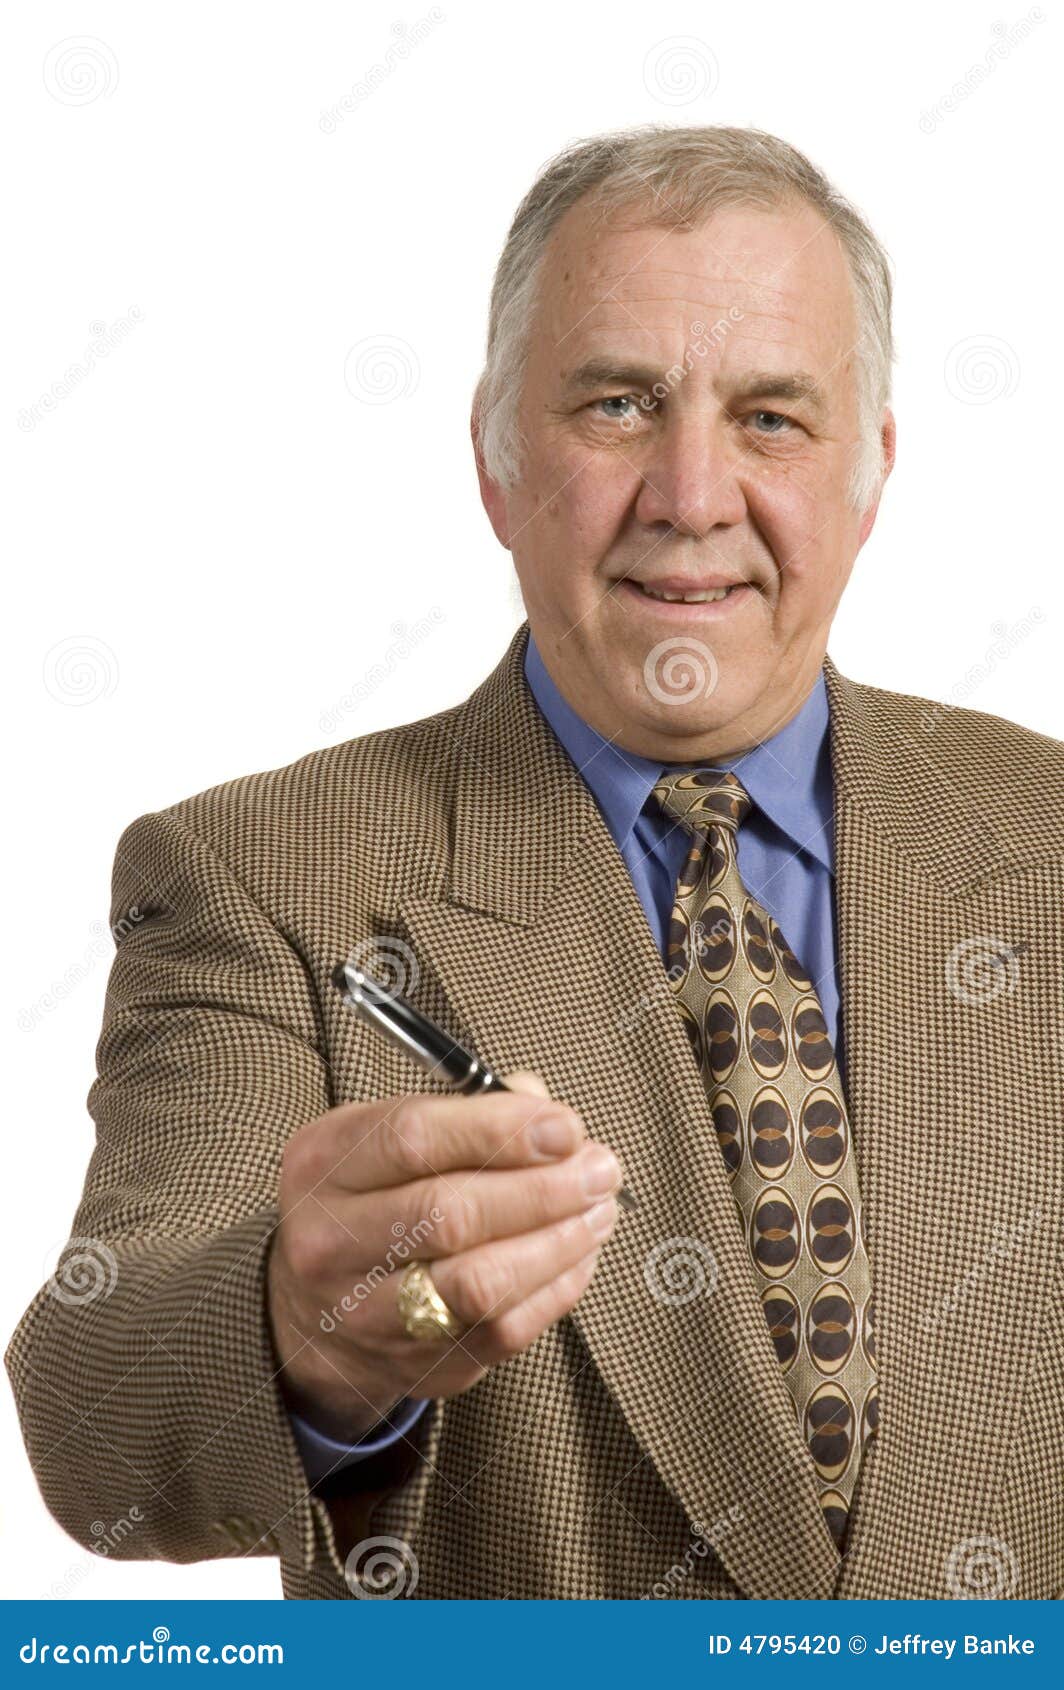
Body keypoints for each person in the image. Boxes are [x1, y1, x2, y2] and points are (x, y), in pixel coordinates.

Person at [8, 124, 1062, 1602]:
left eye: (771, 417)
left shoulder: (1047, 836)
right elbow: (98, 1422)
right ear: (498, 461)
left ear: (869, 473)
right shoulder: (259, 874)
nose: (691, 494)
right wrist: (299, 1334)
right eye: (620, 405)